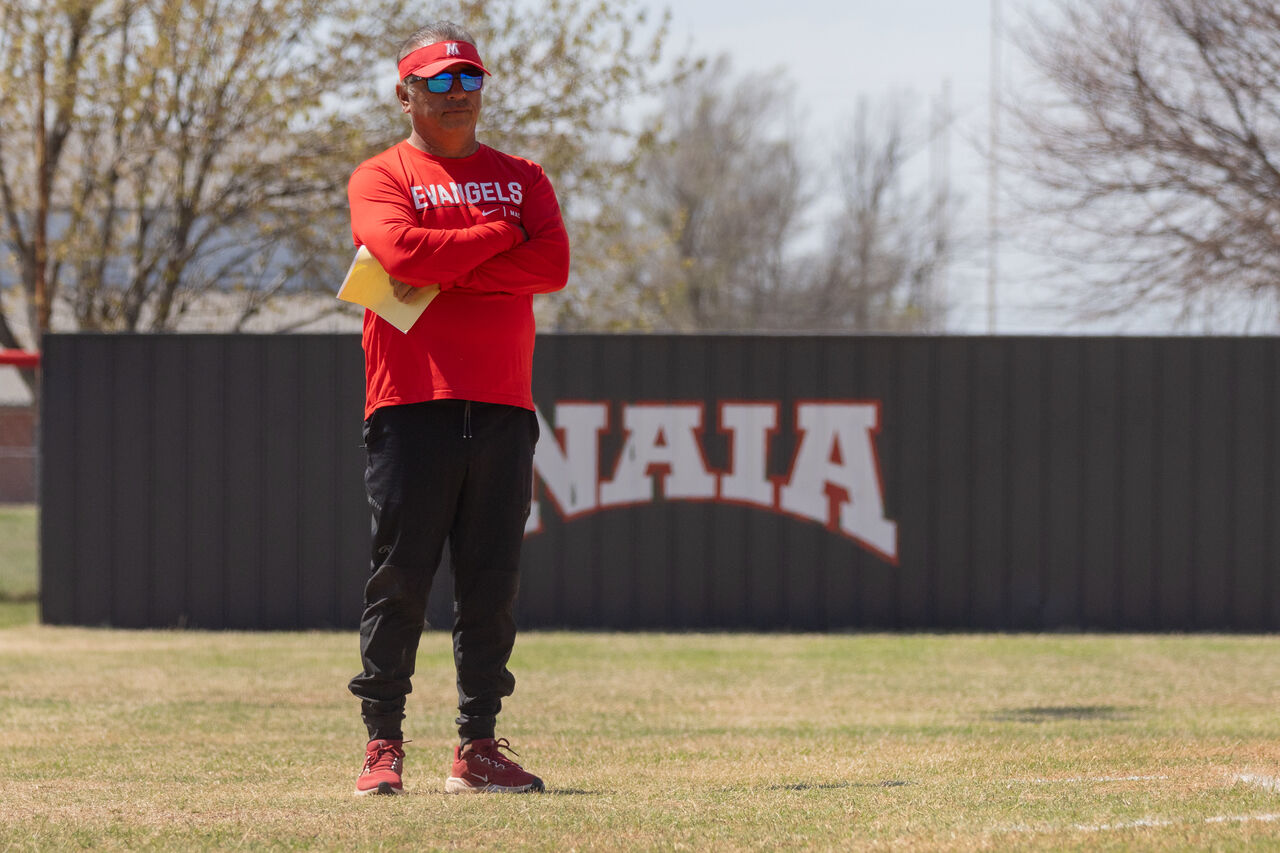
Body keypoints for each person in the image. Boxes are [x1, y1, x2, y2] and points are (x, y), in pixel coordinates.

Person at [345, 21, 570, 796]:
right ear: (404, 91)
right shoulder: (381, 174)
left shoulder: (524, 175)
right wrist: (495, 240)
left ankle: (478, 747)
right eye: (438, 82)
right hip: (410, 403)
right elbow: (399, 254)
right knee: (400, 578)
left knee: (491, 582)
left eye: (468, 78)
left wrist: (452, 264)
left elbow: (555, 264)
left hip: (504, 402)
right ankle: (383, 745)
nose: (456, 94)